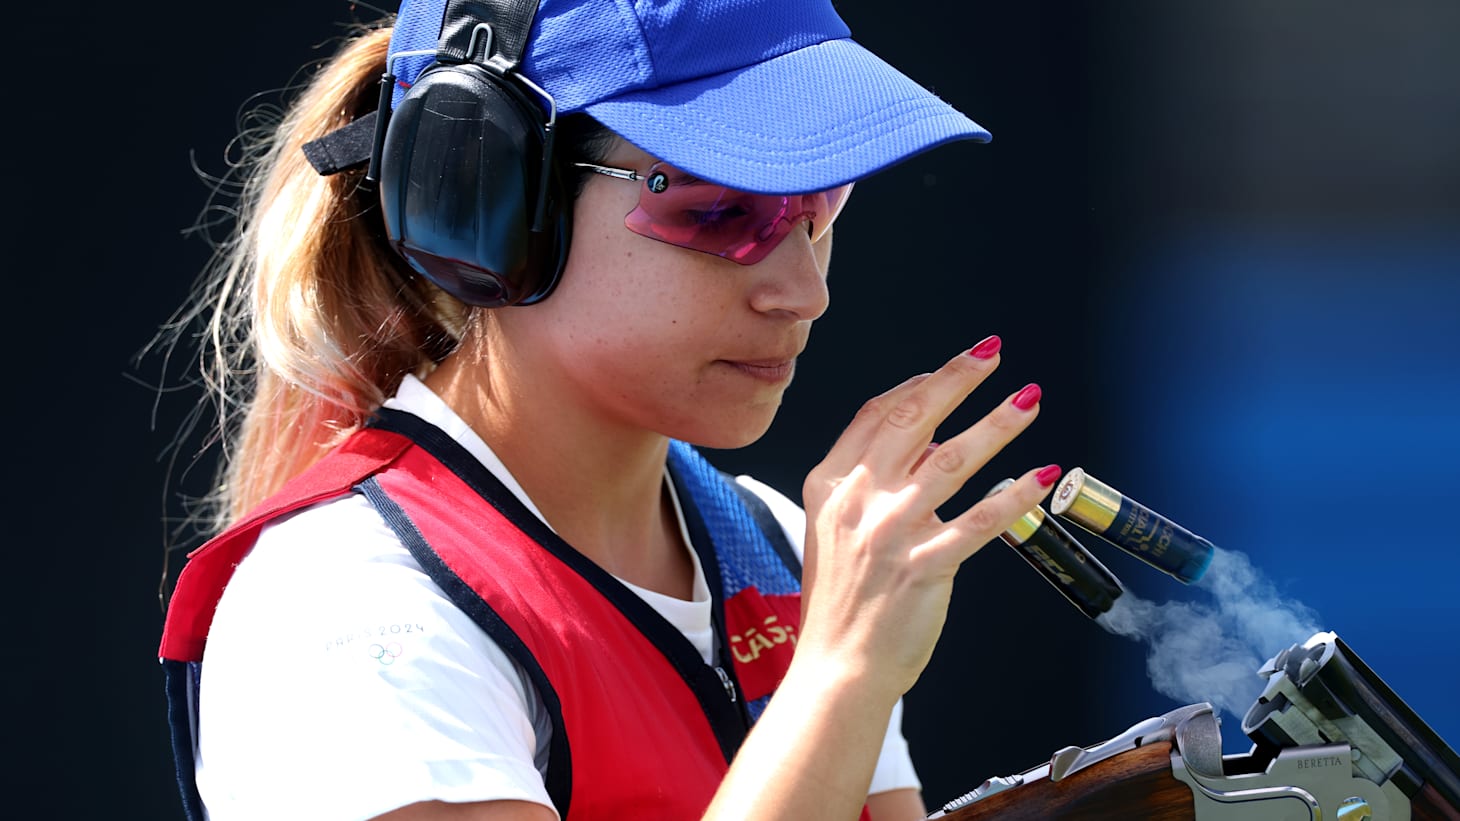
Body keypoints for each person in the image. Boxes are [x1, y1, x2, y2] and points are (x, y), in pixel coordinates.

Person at [156, 1, 1062, 819]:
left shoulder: (786, 550)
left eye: (820, 205)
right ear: (485, 201)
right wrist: (838, 673)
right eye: (720, 213)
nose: (803, 290)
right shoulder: (353, 605)